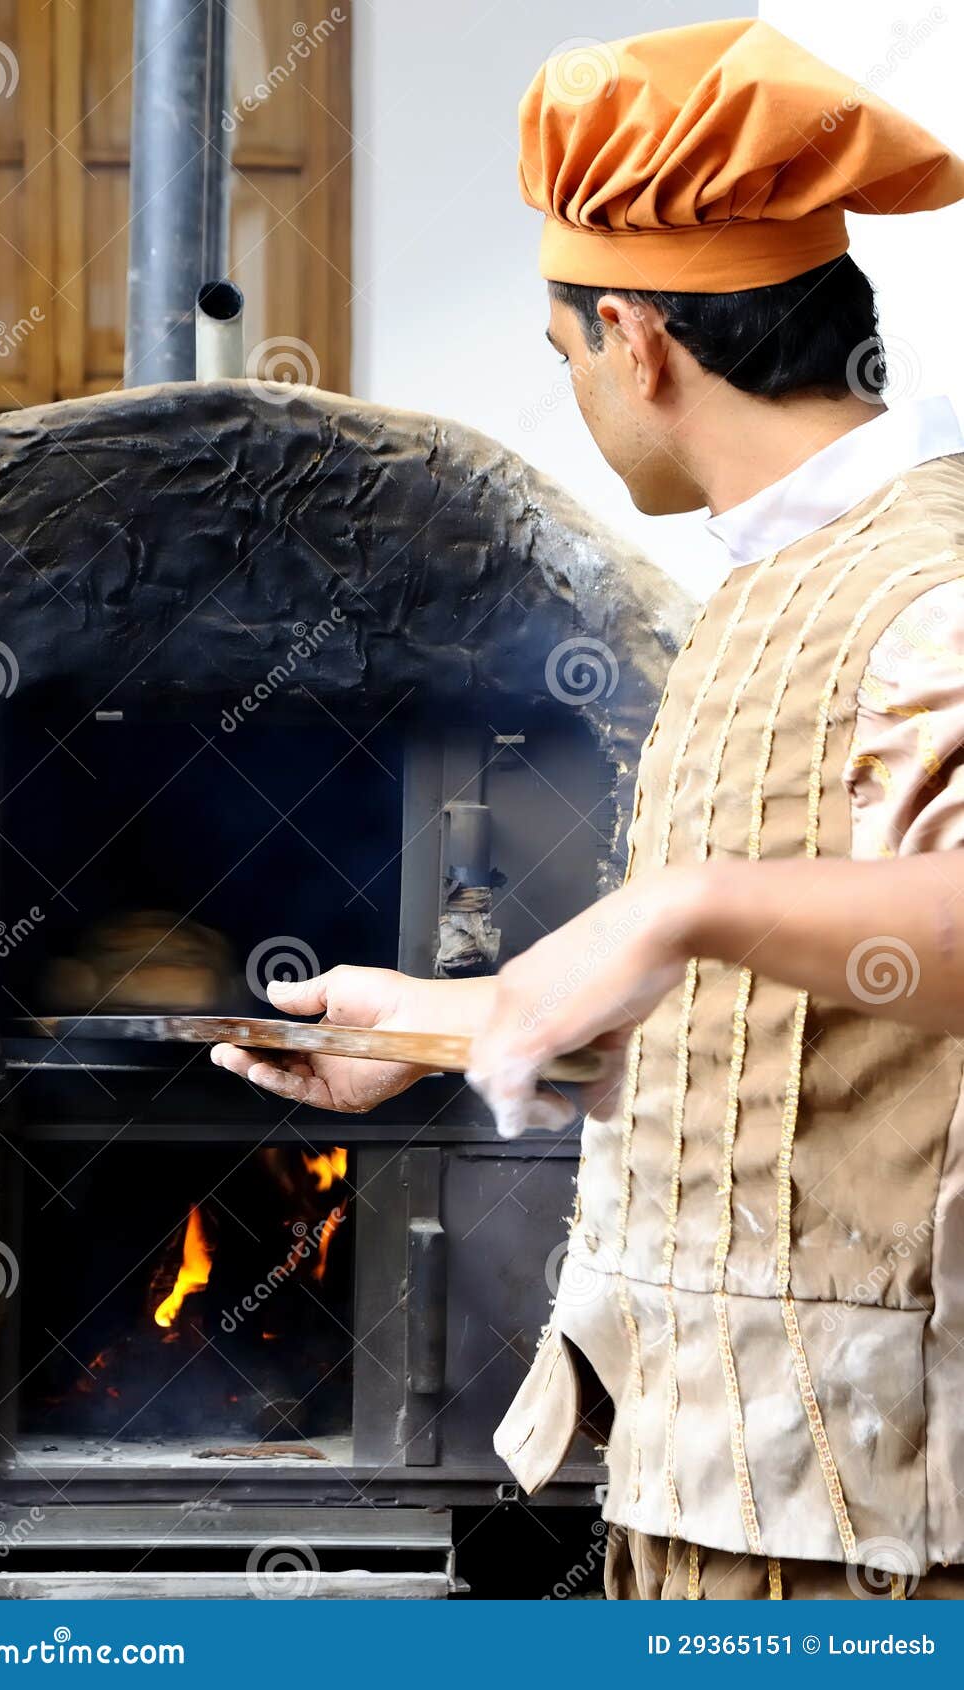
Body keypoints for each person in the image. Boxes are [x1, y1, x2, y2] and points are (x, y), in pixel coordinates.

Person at [213, 19, 964, 1599]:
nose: (579, 398)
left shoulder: (933, 590)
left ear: (635, 336)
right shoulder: (772, 593)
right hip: (719, 1487)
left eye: (566, 358)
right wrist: (443, 1020)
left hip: (887, 1517)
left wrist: (666, 904)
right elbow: (788, 1027)